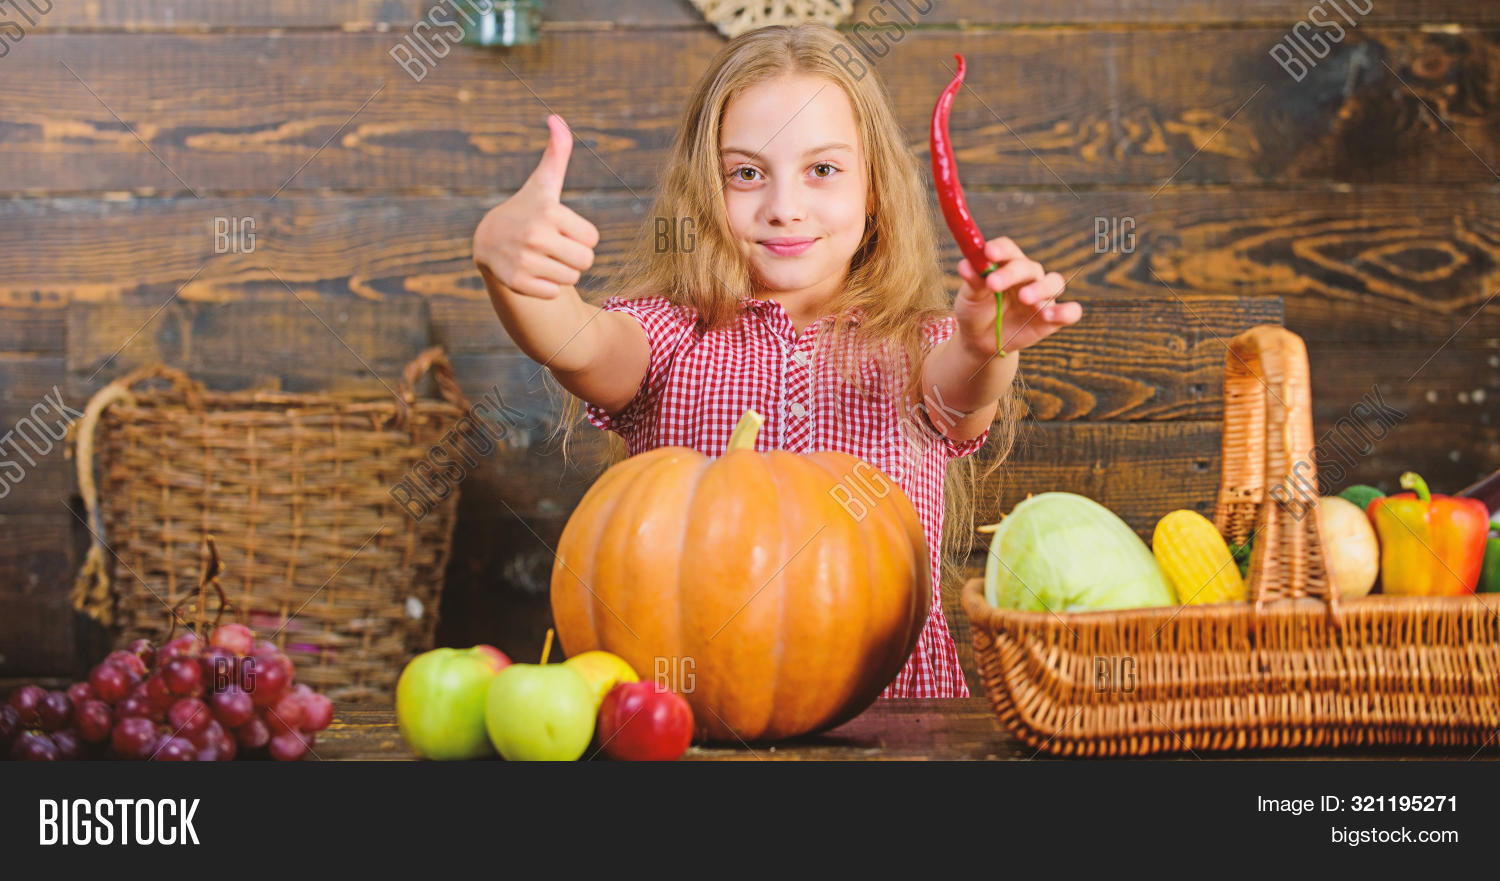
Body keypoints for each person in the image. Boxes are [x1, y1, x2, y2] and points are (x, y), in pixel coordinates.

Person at [472, 24, 1083, 698]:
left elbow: (963, 392)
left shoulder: (921, 348)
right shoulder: (667, 336)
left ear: (874, 186)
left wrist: (983, 343)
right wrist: (518, 277)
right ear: (705, 188)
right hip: (699, 716)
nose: (784, 208)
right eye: (747, 173)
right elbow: (580, 343)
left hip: (900, 728)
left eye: (823, 169)